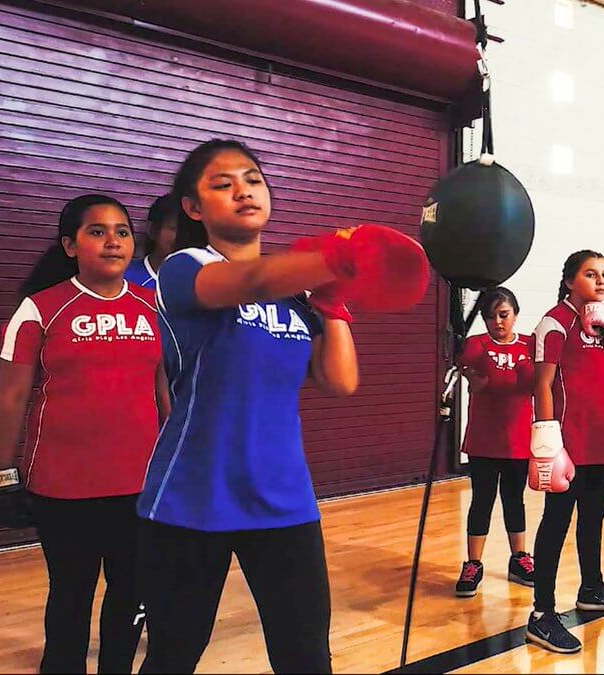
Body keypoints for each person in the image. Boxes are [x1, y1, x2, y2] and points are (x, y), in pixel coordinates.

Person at [135, 139, 427, 674]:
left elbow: (340, 381)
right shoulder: (184, 267)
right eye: (222, 184)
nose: (243, 190)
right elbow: (247, 282)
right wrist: (332, 258)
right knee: (173, 656)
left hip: (284, 498)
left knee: (306, 657)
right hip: (192, 496)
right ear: (194, 209)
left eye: (252, 179)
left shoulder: (295, 287)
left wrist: (334, 299)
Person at [0, 194, 169, 674]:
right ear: (69, 245)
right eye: (97, 231)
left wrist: (179, 464)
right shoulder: (40, 309)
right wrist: (2, 477)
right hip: (63, 489)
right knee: (71, 593)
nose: (113, 242)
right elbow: (10, 400)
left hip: (140, 486)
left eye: (122, 232)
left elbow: (165, 393)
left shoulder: (155, 307)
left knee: (130, 594)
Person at [526, 249, 604, 654]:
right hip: (567, 446)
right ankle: (541, 614)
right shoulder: (554, 324)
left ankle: (592, 588)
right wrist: (547, 443)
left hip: (600, 442)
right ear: (570, 280)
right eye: (591, 274)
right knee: (555, 526)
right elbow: (541, 384)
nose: (601, 280)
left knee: (594, 520)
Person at [455, 286, 536, 597]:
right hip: (484, 440)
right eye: (491, 317)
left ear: (515, 314)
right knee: (482, 500)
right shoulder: (477, 345)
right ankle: (473, 563)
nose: (498, 322)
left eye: (504, 315)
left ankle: (519, 558)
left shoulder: (529, 345)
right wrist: (472, 378)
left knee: (514, 499)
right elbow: (465, 368)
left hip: (517, 439)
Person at [124, 192, 179, 289]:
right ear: (152, 230)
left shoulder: (202, 283)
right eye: (176, 229)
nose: (184, 237)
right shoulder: (123, 277)